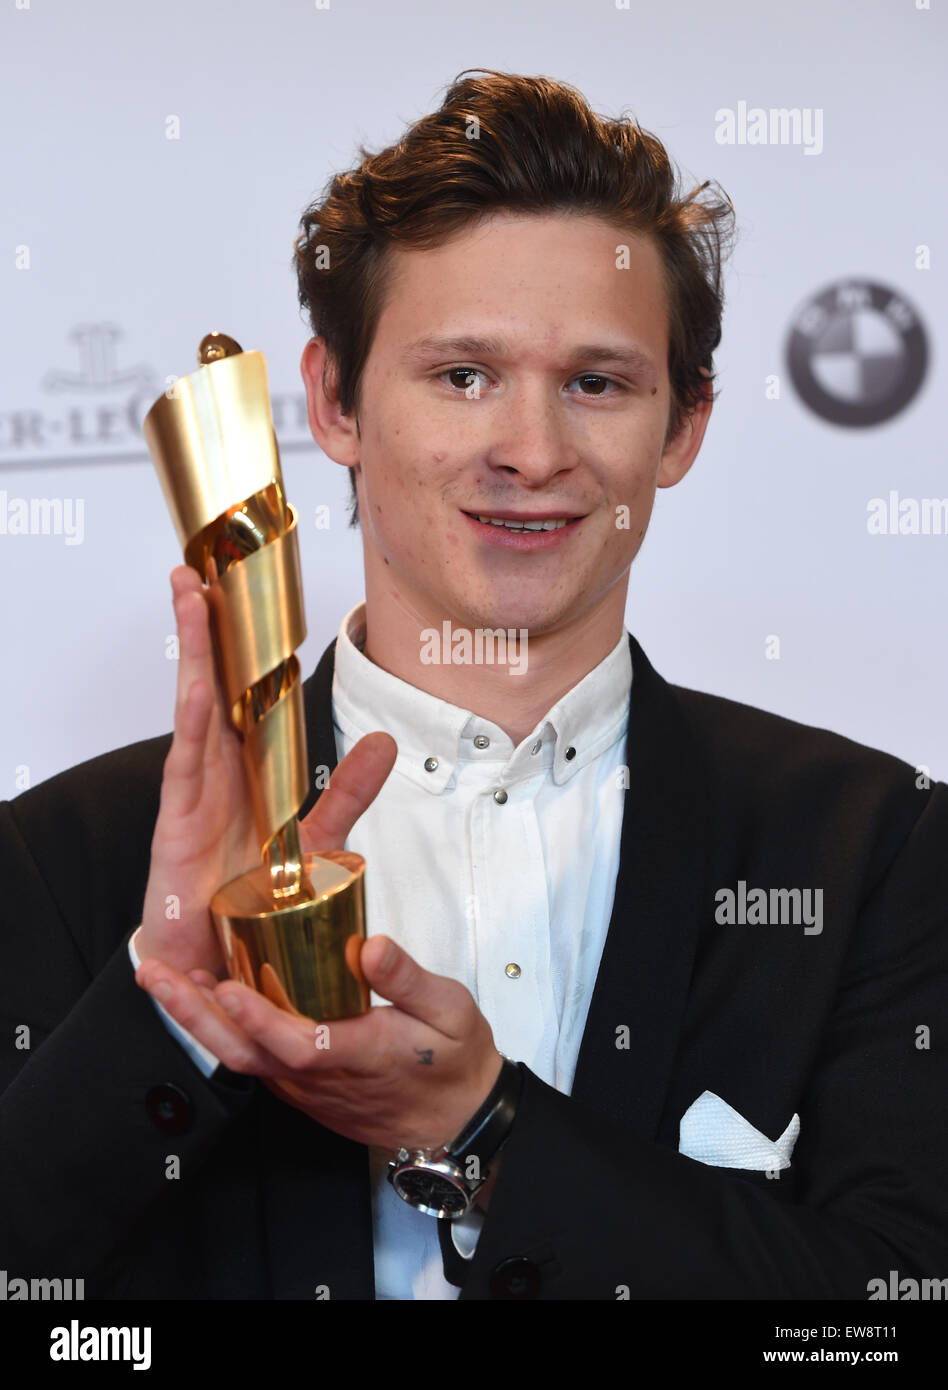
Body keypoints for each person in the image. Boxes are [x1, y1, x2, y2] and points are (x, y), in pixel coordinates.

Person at [1, 69, 946, 1302]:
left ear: (684, 426)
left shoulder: (875, 847)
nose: (533, 451)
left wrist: (485, 1128)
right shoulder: (62, 855)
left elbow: (895, 1306)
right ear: (334, 401)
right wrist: (172, 1010)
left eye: (597, 383)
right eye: (463, 376)